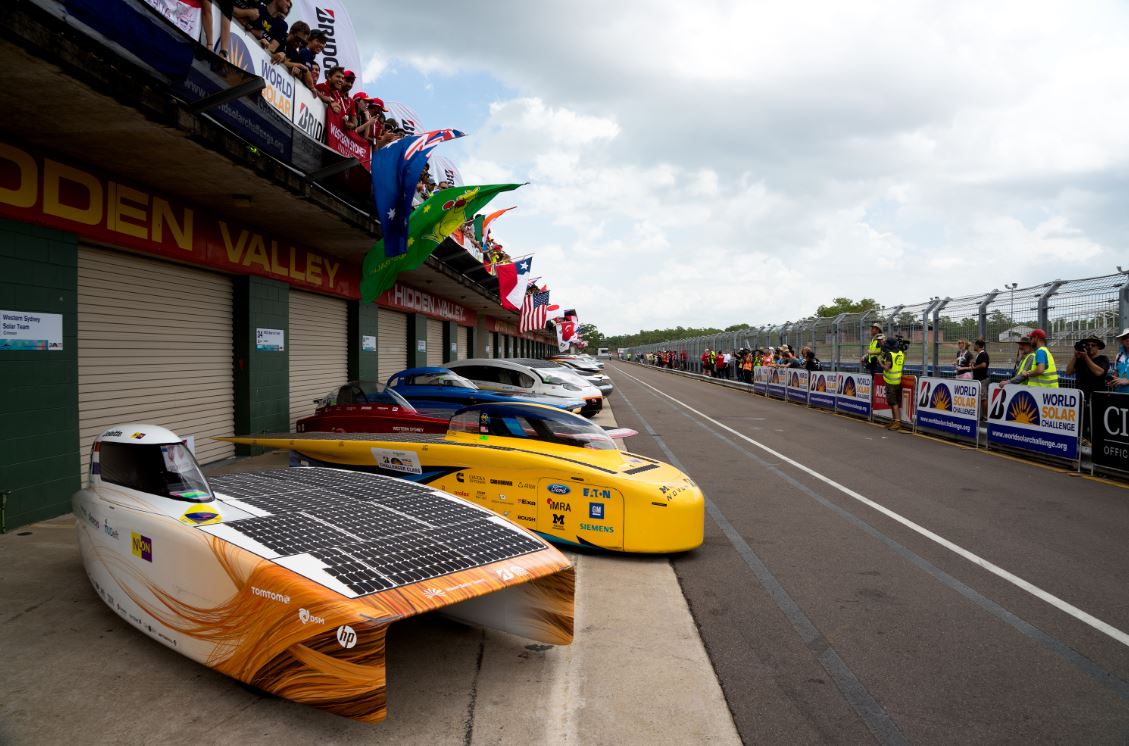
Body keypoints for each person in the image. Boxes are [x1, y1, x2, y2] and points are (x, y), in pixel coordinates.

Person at [1066, 336, 1110, 442]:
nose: (1090, 347)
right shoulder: (1080, 360)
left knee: (1095, 426)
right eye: (1088, 345)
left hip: (1095, 401)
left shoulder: (1103, 359)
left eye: (1093, 345)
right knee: (1080, 425)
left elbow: (1099, 372)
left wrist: (1086, 358)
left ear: (1098, 347)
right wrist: (1075, 357)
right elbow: (1068, 371)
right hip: (1081, 400)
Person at [880, 336, 906, 431]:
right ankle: (894, 420)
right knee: (892, 401)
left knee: (893, 402)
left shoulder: (890, 354)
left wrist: (880, 363)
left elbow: (887, 368)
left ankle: (897, 422)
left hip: (890, 381)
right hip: (897, 380)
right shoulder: (901, 353)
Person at [1110, 329, 1129, 393]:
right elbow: (1116, 373)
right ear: (1122, 341)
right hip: (1119, 394)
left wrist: (1128, 381)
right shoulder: (1119, 355)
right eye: (1125, 337)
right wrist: (1113, 380)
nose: (1127, 339)